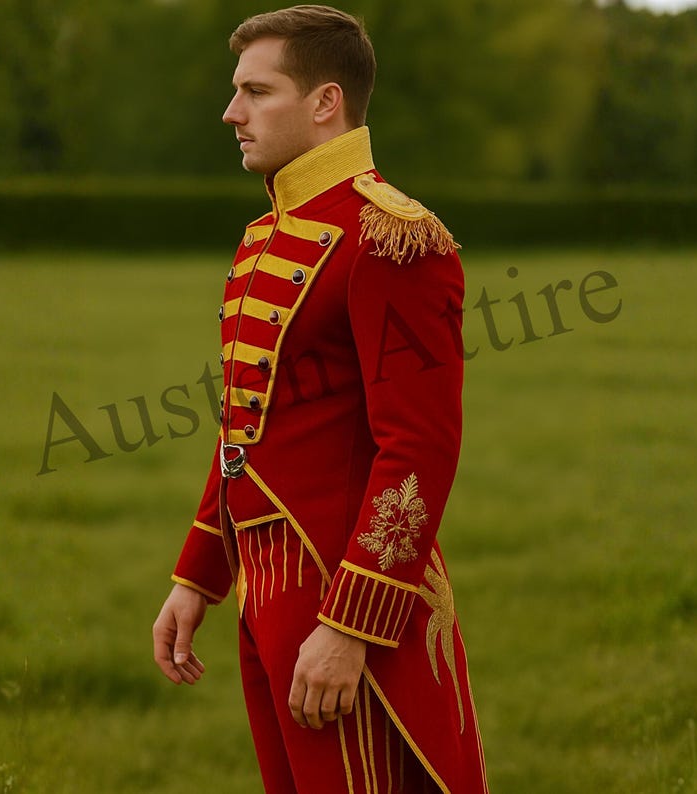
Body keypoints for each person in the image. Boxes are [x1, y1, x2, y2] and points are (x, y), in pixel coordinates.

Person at [152, 5, 488, 792]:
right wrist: (197, 576)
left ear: (325, 102)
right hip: (263, 587)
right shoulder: (265, 234)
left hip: (343, 593)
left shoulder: (392, 237)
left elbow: (420, 448)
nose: (231, 112)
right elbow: (247, 427)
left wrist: (351, 625)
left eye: (256, 91)